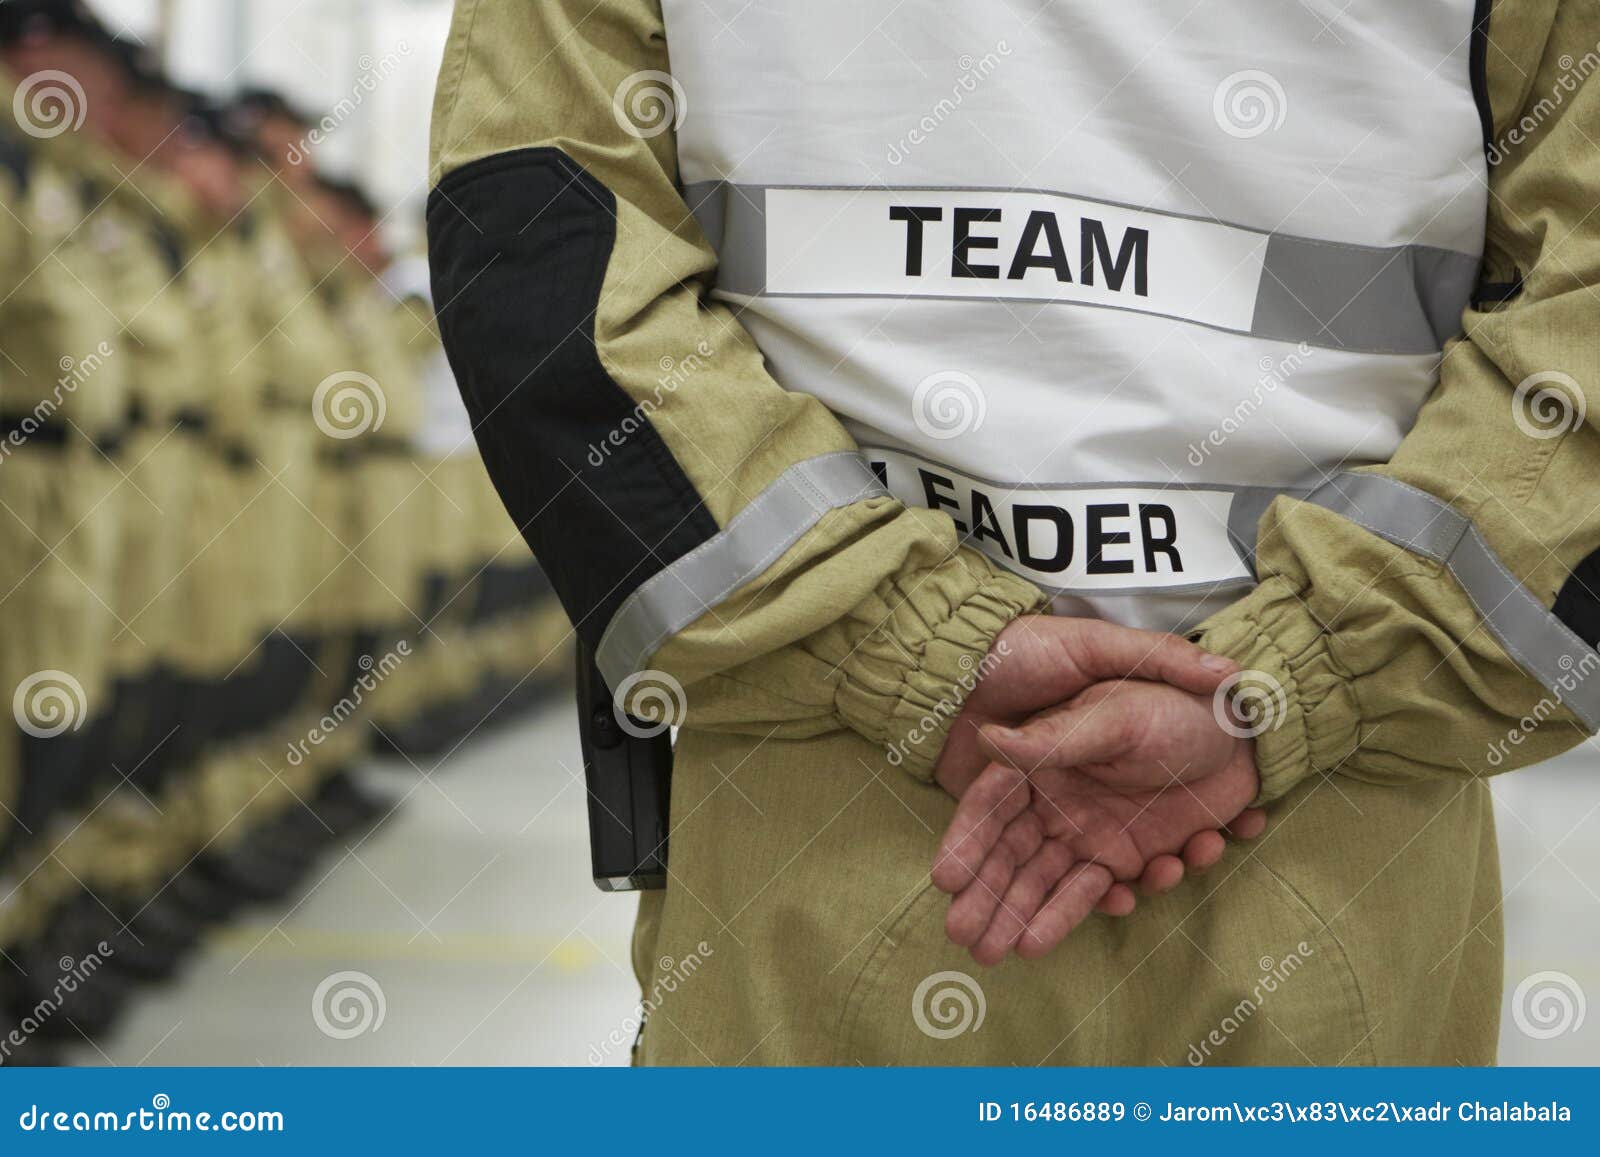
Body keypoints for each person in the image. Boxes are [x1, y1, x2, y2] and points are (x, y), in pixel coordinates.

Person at [444, 0, 1593, 1065]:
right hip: (1335, 850)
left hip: (832, 829)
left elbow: (537, 241)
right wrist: (1292, 680)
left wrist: (909, 647)